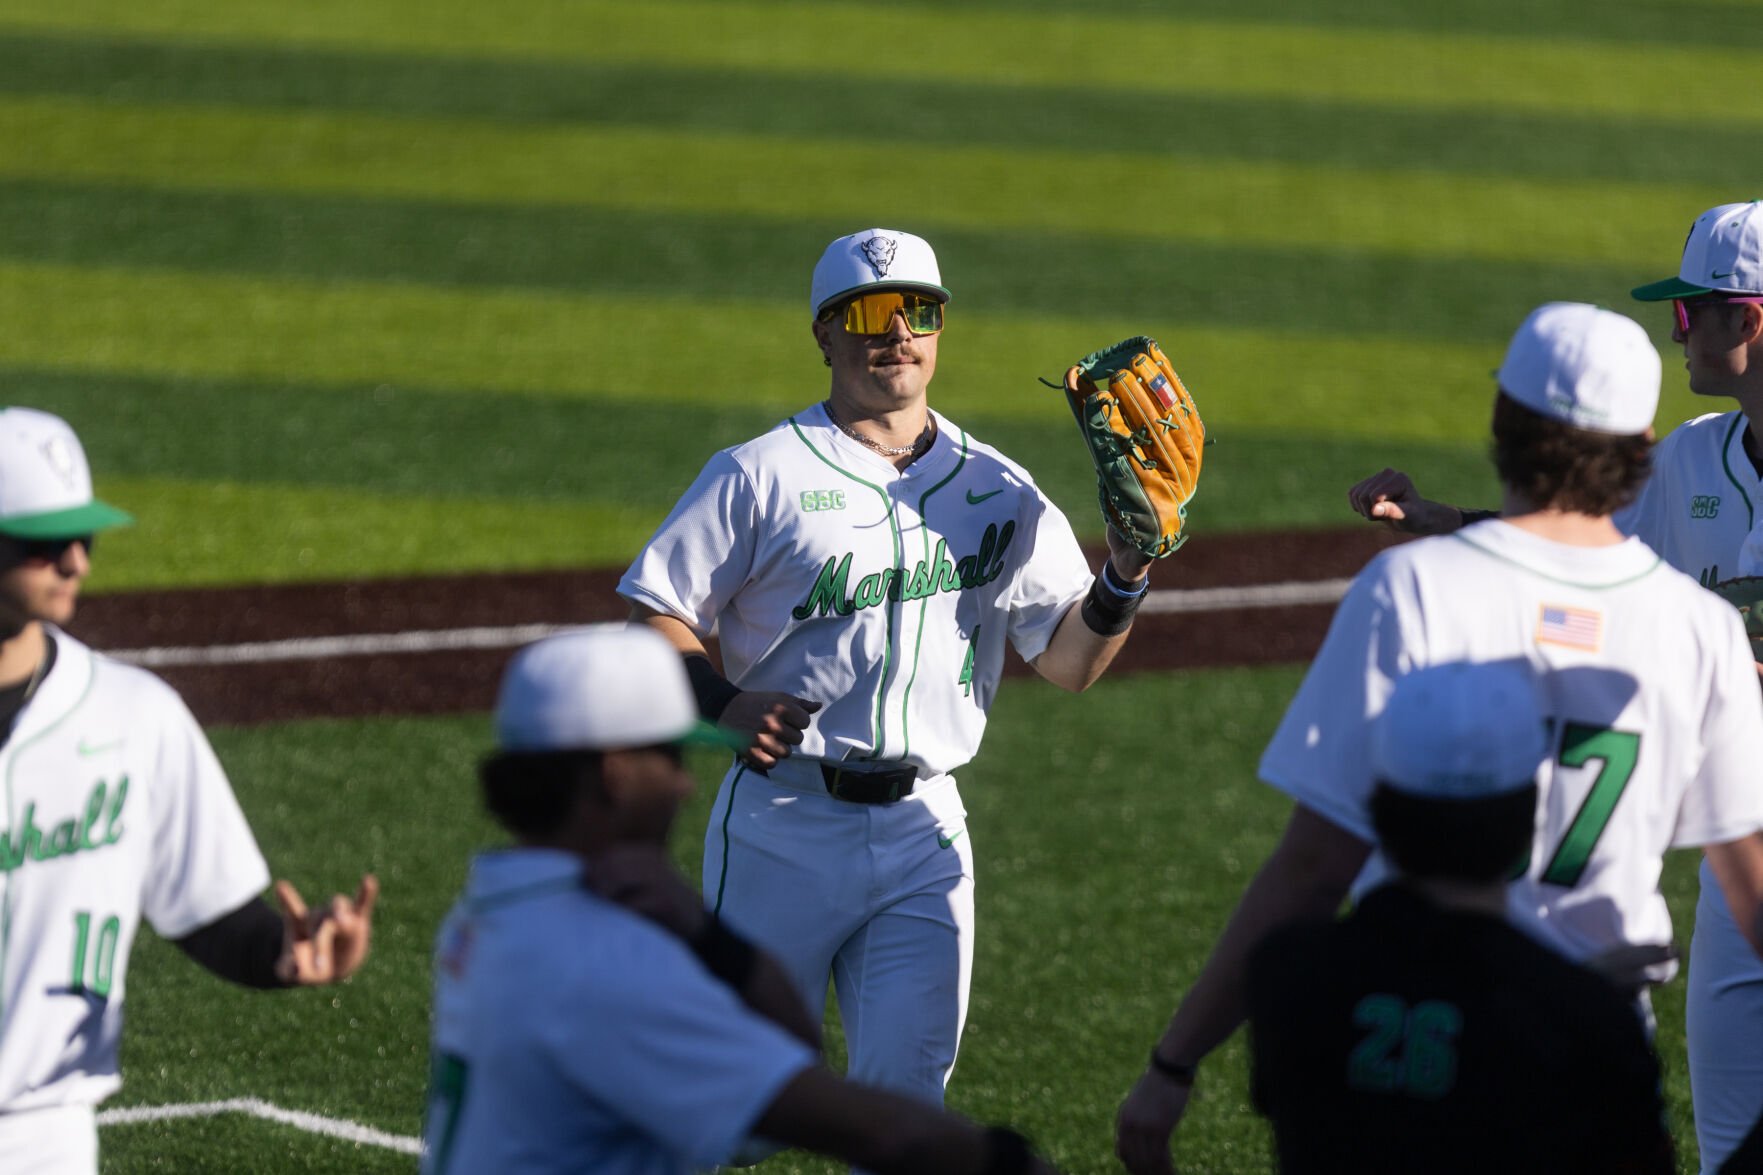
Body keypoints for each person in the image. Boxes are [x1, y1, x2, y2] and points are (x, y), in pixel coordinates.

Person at [1115, 303, 1763, 1175]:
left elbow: (1313, 864)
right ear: (1641, 443)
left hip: (1408, 1042)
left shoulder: (1413, 590)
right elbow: (1750, 884)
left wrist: (1172, 1062)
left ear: (1503, 423)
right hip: (1592, 1046)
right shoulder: (1698, 627)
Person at [616, 228, 1154, 1115]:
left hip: (924, 832)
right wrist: (721, 703)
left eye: (919, 312)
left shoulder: (998, 486)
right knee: (724, 1108)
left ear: (939, 331)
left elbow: (1066, 661)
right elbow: (656, 607)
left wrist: (1125, 575)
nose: (895, 332)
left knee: (906, 1113)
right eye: (867, 313)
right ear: (824, 334)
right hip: (781, 824)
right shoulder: (758, 474)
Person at [1347, 201, 1763, 1170]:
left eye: (1687, 311)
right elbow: (1561, 543)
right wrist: (1432, 516)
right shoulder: (1693, 461)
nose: (1677, 332)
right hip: (1737, 869)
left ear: (1746, 317)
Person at [422, 624, 1060, 1174]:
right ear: (614, 777)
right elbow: (850, 1123)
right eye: (671, 759)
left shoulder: (483, 913)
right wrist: (1005, 1162)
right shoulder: (603, 957)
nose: (683, 787)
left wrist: (706, 932)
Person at [0, 407, 378, 1174]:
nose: (77, 562)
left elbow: (207, 909)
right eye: (46, 543)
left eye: (86, 538)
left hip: (46, 1133)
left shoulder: (132, 713)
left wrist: (282, 949)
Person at [1247, 660, 1673, 1174]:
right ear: (1525, 820)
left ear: (1378, 804)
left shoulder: (1285, 973)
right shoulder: (1584, 1022)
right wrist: (1580, 993)